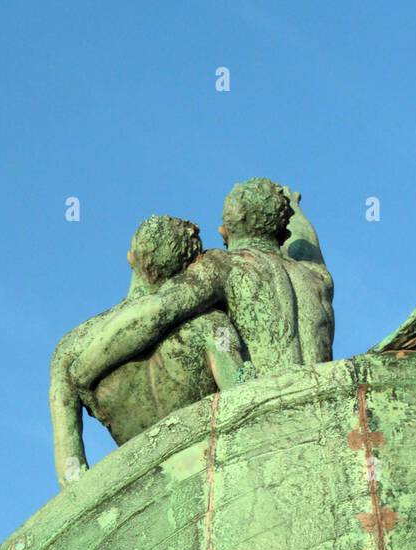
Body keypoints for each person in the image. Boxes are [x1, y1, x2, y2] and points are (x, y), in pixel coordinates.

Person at [50, 179, 335, 483]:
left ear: (225, 231)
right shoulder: (316, 277)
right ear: (283, 230)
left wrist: (83, 369)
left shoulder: (223, 265)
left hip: (267, 405)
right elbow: (307, 244)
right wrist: (294, 208)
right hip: (321, 403)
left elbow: (157, 312)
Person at [50, 215, 245, 486]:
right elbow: (243, 398)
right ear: (189, 266)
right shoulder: (212, 325)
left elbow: (70, 472)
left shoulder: (70, 348)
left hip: (144, 483)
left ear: (131, 257)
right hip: (215, 471)